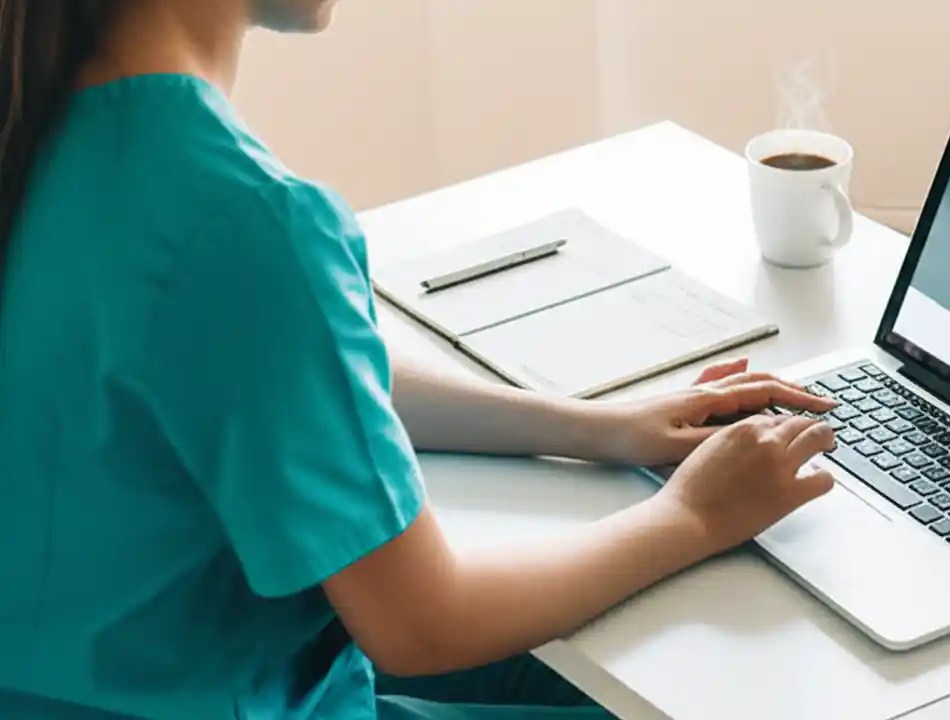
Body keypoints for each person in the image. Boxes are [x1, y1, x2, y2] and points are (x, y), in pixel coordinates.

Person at [0, 1, 840, 718]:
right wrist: (692, 516)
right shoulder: (243, 221)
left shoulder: (49, 120)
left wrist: (596, 427)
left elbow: (294, 379)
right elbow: (423, 624)